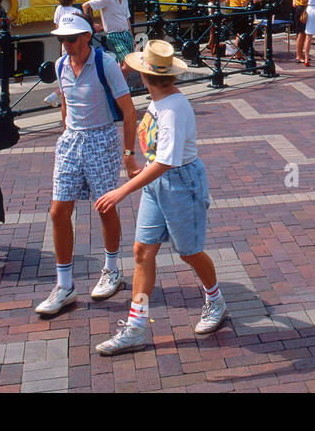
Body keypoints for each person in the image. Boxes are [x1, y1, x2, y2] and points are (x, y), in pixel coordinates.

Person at [94, 41, 224, 354]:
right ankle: (136, 327)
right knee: (141, 251)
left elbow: (167, 161)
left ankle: (215, 300)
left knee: (190, 252)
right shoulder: (158, 100)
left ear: (145, 76)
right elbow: (158, 156)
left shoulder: (174, 109)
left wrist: (123, 190)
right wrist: (135, 165)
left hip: (180, 183)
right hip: (157, 182)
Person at [35, 17, 138, 315]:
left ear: (85, 37)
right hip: (71, 140)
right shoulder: (61, 65)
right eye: (62, 39)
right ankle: (64, 285)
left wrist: (128, 154)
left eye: (70, 39)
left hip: (101, 138)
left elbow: (129, 111)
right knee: (58, 211)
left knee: (104, 207)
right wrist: (65, 129)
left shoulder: (105, 64)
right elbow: (66, 101)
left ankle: (111, 268)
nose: (65, 44)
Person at [83, 0, 135, 76]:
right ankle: (116, 84)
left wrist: (132, 37)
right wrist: (91, 24)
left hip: (126, 34)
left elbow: (127, 19)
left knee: (130, 63)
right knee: (127, 64)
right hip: (114, 36)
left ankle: (121, 88)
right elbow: (86, 6)